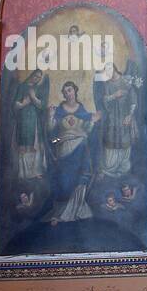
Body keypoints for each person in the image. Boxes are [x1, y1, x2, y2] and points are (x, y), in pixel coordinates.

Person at [45, 81, 100, 224]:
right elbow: (51, 129)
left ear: (75, 91)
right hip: (63, 147)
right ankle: (63, 211)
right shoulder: (58, 110)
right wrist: (50, 116)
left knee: (81, 175)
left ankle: (75, 209)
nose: (67, 93)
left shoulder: (82, 109)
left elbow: (87, 130)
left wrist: (93, 121)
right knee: (65, 179)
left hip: (81, 146)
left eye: (69, 90)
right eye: (65, 91)